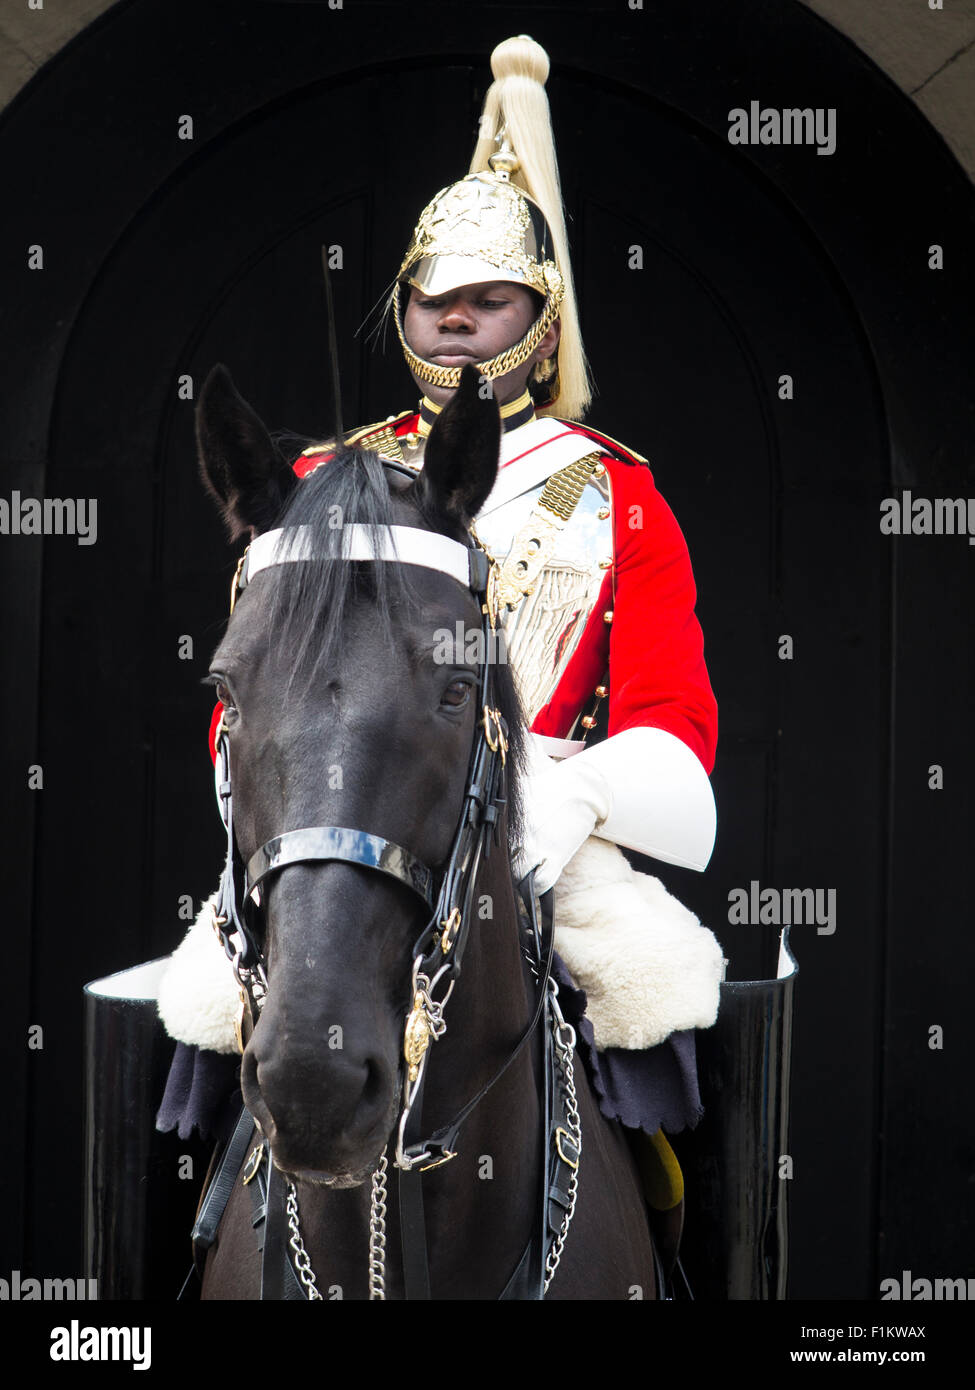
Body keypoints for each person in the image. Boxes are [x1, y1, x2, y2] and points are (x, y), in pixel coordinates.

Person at [158, 36, 724, 1249]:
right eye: (434, 298)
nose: (457, 320)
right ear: (403, 307)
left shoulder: (619, 496)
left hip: (548, 838)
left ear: (541, 314)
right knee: (196, 1017)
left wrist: (576, 794)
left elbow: (677, 727)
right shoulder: (319, 476)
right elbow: (248, 693)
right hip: (346, 815)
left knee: (667, 1013)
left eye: (491, 299)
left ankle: (704, 1262)